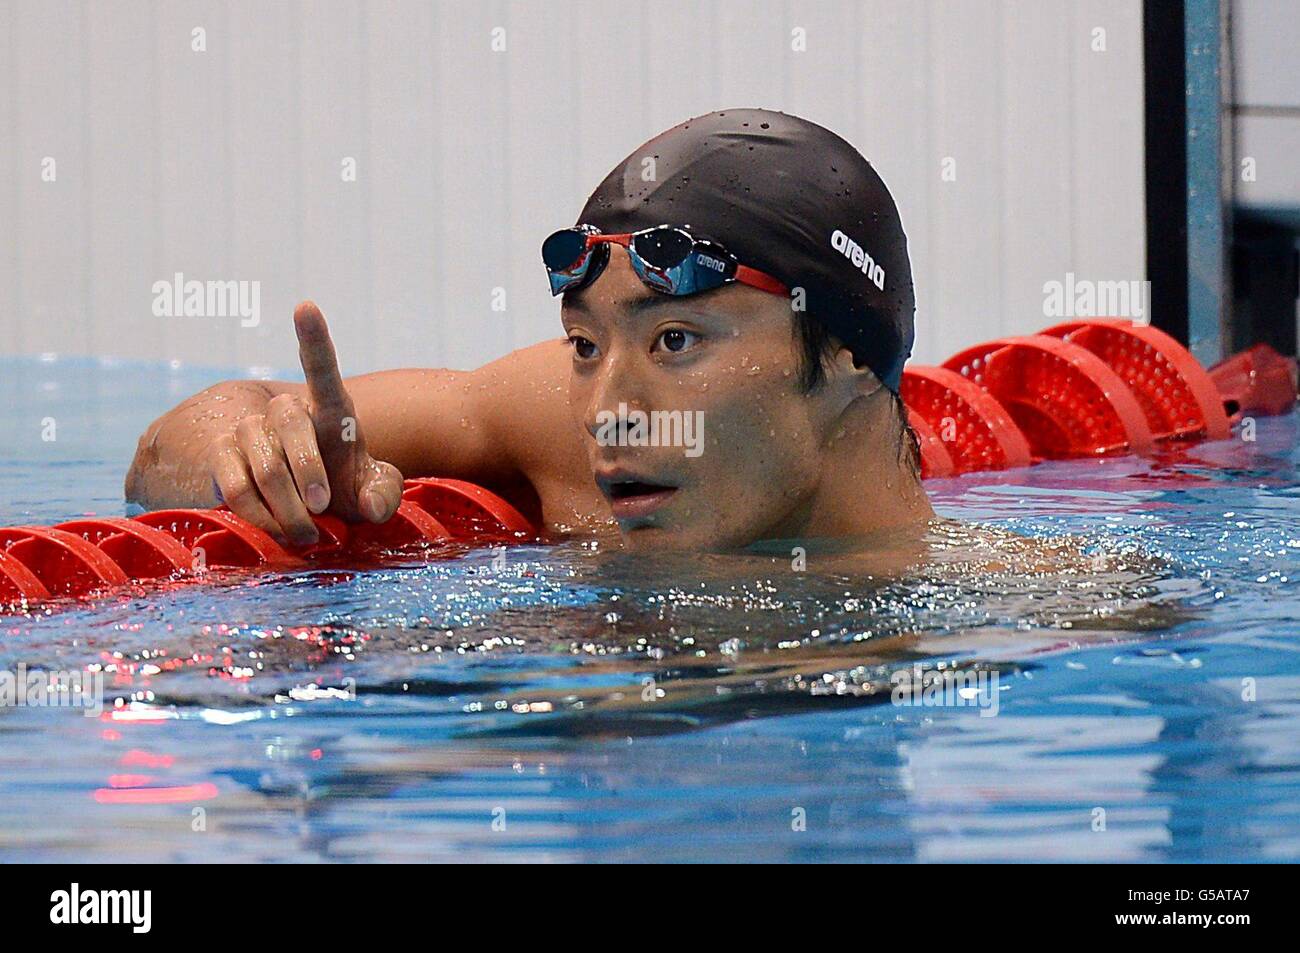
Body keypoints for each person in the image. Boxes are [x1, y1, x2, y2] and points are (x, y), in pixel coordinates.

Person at [125, 108, 934, 552]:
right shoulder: (558, 421)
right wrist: (264, 455)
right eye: (585, 344)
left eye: (676, 341)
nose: (605, 410)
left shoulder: (999, 613)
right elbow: (168, 446)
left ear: (848, 354)